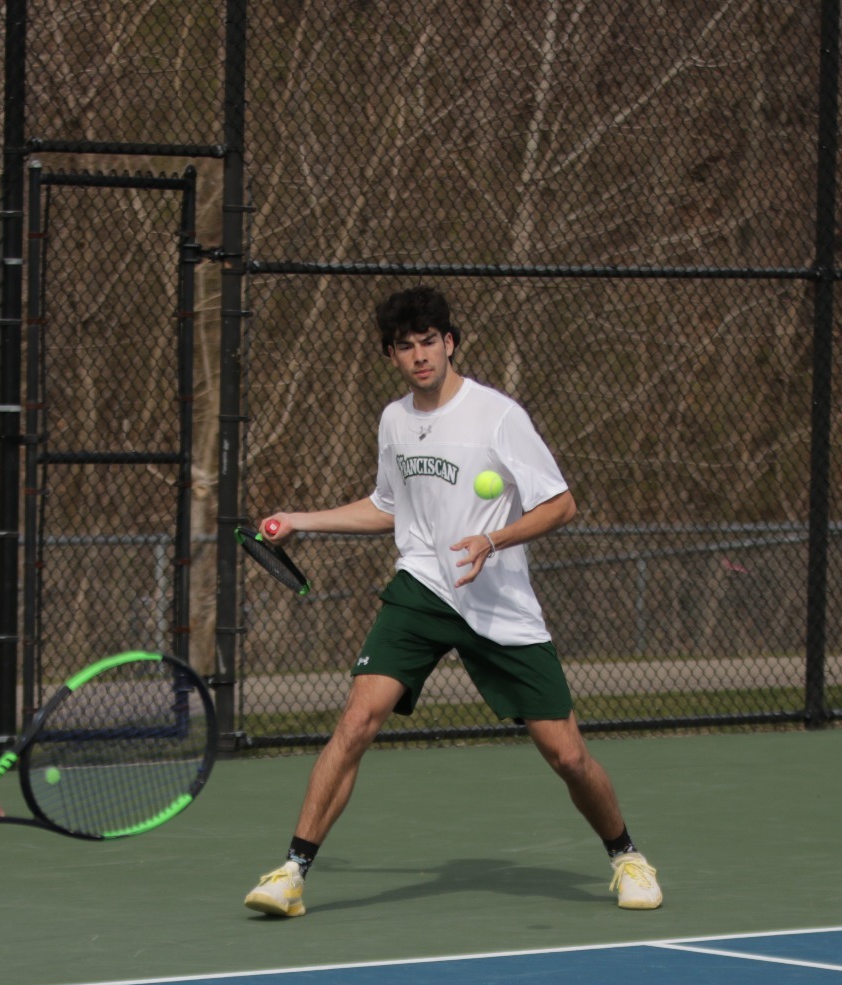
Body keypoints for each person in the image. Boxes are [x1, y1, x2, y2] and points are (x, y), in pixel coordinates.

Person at [244, 286, 663, 918]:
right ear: (391, 355)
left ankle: (626, 855)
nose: (419, 356)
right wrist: (303, 519)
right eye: (405, 346)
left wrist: (494, 540)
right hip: (421, 588)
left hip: (497, 603)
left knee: (568, 756)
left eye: (429, 342)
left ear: (450, 343)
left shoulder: (498, 416)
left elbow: (561, 504)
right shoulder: (393, 421)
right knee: (357, 721)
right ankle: (292, 873)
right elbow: (388, 507)